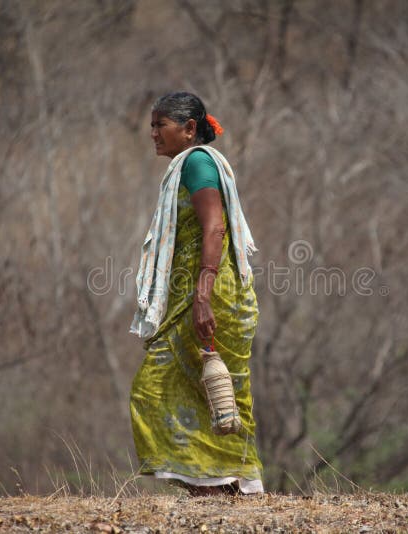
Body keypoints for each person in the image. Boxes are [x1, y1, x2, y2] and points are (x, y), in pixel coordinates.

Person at [129, 92, 263, 495]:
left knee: (155, 390)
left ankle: (221, 487)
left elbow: (214, 229)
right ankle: (221, 491)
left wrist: (202, 297)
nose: (153, 133)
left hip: (210, 292)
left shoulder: (197, 163)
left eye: (160, 125)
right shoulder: (190, 164)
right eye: (152, 125)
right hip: (200, 292)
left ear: (189, 129)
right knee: (203, 394)